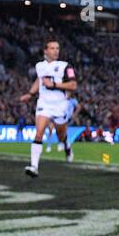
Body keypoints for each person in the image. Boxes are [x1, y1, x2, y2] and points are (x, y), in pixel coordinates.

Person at [19, 39, 77, 177]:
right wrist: (30, 93)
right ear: (45, 51)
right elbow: (39, 80)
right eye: (52, 48)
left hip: (60, 105)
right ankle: (34, 166)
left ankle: (67, 147)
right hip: (44, 104)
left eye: (57, 48)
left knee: (60, 135)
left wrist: (54, 85)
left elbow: (73, 85)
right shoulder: (39, 66)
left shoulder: (65, 66)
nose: (56, 51)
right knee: (39, 133)